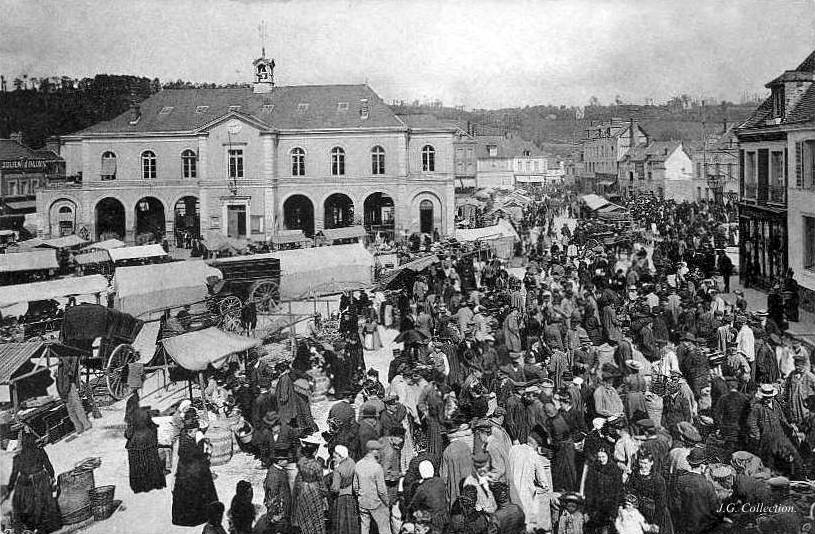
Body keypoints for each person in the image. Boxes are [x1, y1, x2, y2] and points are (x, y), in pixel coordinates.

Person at [3, 430, 62, 534]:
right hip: (42, 478)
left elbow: (14, 474)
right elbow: (48, 464)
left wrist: (10, 488)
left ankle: (36, 527)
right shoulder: (40, 451)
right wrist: (52, 476)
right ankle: (52, 525)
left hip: (27, 482)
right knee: (47, 501)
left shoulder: (18, 457)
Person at [172, 411, 219, 526]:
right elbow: (194, 455)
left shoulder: (184, 437)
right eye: (195, 431)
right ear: (190, 431)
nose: (196, 433)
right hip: (191, 472)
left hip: (186, 470)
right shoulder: (187, 443)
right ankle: (195, 518)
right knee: (195, 493)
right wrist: (204, 450)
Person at [668, 448, 723, 534]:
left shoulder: (679, 480)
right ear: (702, 465)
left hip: (682, 524)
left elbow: (675, 504)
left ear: (689, 463)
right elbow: (715, 509)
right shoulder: (707, 485)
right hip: (701, 525)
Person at [292, 434, 329, 534]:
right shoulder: (317, 465)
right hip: (314, 489)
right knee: (315, 514)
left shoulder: (301, 461)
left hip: (304, 487)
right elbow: (321, 482)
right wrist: (325, 494)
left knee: (305, 512)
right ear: (315, 451)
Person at [125, 405, 166, 493]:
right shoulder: (145, 412)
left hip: (136, 444)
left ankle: (141, 487)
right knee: (152, 462)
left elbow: (128, 434)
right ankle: (155, 484)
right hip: (149, 441)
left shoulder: (131, 416)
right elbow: (153, 425)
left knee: (138, 465)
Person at [353, 440, 391, 534]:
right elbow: (381, 491)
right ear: (373, 451)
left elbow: (355, 486)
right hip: (375, 503)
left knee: (364, 527)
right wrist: (387, 502)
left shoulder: (358, 465)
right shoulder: (377, 467)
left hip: (362, 502)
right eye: (378, 450)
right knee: (384, 527)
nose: (379, 453)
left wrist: (360, 496)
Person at [408, 460, 449, 531]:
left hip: (431, 521)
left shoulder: (422, 488)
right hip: (444, 517)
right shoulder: (440, 482)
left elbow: (414, 504)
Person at [56, 355, 92, 434]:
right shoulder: (61, 359)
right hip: (63, 383)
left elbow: (74, 361)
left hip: (69, 382)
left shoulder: (70, 356)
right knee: (70, 408)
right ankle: (78, 427)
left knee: (76, 405)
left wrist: (70, 372)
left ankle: (86, 424)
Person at [330, 445, 360, 534]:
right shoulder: (352, 462)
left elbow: (335, 489)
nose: (334, 459)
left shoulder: (338, 470)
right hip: (351, 497)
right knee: (351, 523)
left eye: (335, 457)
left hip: (340, 498)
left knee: (341, 523)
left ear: (341, 456)